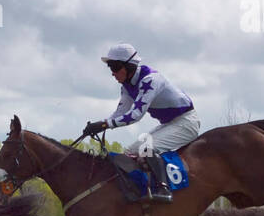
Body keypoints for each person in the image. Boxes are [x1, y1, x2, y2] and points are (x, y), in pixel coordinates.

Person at [82, 44, 199, 203]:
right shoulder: (127, 85)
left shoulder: (150, 80)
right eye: (111, 67)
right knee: (129, 152)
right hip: (170, 123)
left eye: (115, 67)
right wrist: (99, 124)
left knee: (146, 148)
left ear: (128, 66)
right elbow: (120, 113)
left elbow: (135, 115)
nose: (113, 73)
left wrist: (103, 125)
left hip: (186, 122)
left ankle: (164, 189)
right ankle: (141, 189)